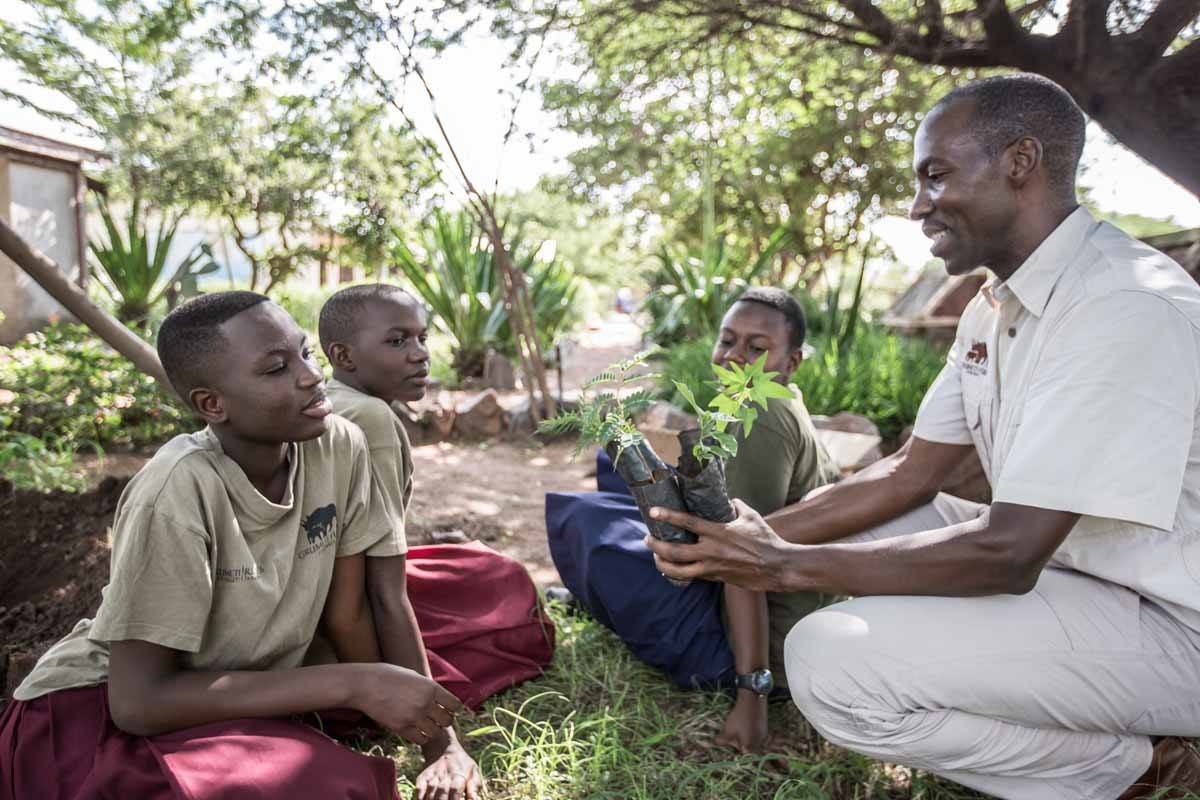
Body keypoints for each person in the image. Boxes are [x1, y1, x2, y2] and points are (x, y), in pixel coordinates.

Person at [646, 73, 1200, 800]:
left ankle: (1139, 766)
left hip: (1174, 623)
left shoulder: (1120, 304)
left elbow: (1008, 552)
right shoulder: (994, 305)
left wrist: (782, 566)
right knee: (895, 518)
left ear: (1020, 161)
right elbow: (909, 472)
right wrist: (740, 541)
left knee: (828, 663)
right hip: (1084, 571)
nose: (916, 207)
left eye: (935, 176)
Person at [0, 291, 465, 800]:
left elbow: (356, 608)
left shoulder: (339, 446)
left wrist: (441, 746)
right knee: (322, 784)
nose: (310, 376)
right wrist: (355, 683)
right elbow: (137, 701)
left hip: (224, 695)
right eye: (275, 369)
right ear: (211, 404)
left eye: (305, 354)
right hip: (93, 717)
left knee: (328, 770)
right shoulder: (176, 491)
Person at [545, 286, 837, 753]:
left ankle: (600, 601)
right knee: (615, 476)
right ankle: (605, 596)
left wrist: (752, 691)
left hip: (752, 643)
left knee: (590, 524)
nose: (735, 356)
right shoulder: (780, 399)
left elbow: (745, 558)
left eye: (757, 348)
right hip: (775, 599)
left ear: (792, 360)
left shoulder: (760, 414)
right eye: (728, 341)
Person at [317, 283, 555, 792]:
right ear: (343, 355)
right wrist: (439, 741)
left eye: (422, 337)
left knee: (472, 564)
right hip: (339, 616)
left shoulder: (330, 402)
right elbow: (377, 593)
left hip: (322, 592)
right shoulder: (371, 419)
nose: (420, 352)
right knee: (503, 585)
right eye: (398, 340)